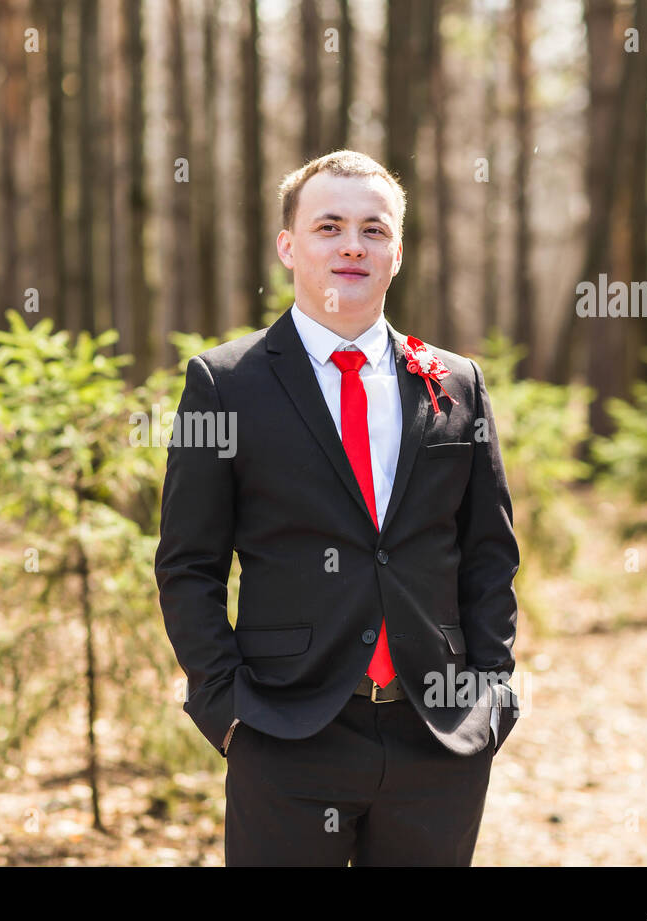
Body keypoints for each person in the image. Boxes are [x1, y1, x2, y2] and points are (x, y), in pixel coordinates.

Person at [154, 149, 521, 866]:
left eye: (374, 230)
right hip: (285, 734)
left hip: (438, 736)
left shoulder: (456, 383)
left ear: (398, 252)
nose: (353, 244)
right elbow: (188, 564)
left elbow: (489, 553)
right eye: (329, 226)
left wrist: (493, 697)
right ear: (289, 246)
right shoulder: (226, 383)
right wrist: (227, 712)